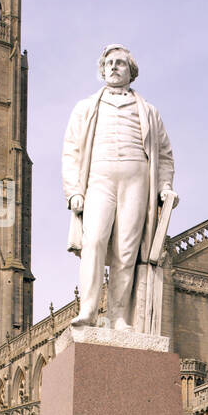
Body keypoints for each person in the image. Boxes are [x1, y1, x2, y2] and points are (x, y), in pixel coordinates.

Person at [62, 44, 178, 331]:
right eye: (109, 63)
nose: (114, 67)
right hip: (99, 178)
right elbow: (71, 151)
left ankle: (118, 317)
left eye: (121, 63)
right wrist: (74, 190)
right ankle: (88, 309)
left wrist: (164, 186)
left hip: (136, 180)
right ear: (102, 70)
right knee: (95, 242)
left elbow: (164, 154)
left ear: (131, 71)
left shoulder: (149, 111)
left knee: (127, 250)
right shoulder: (86, 107)